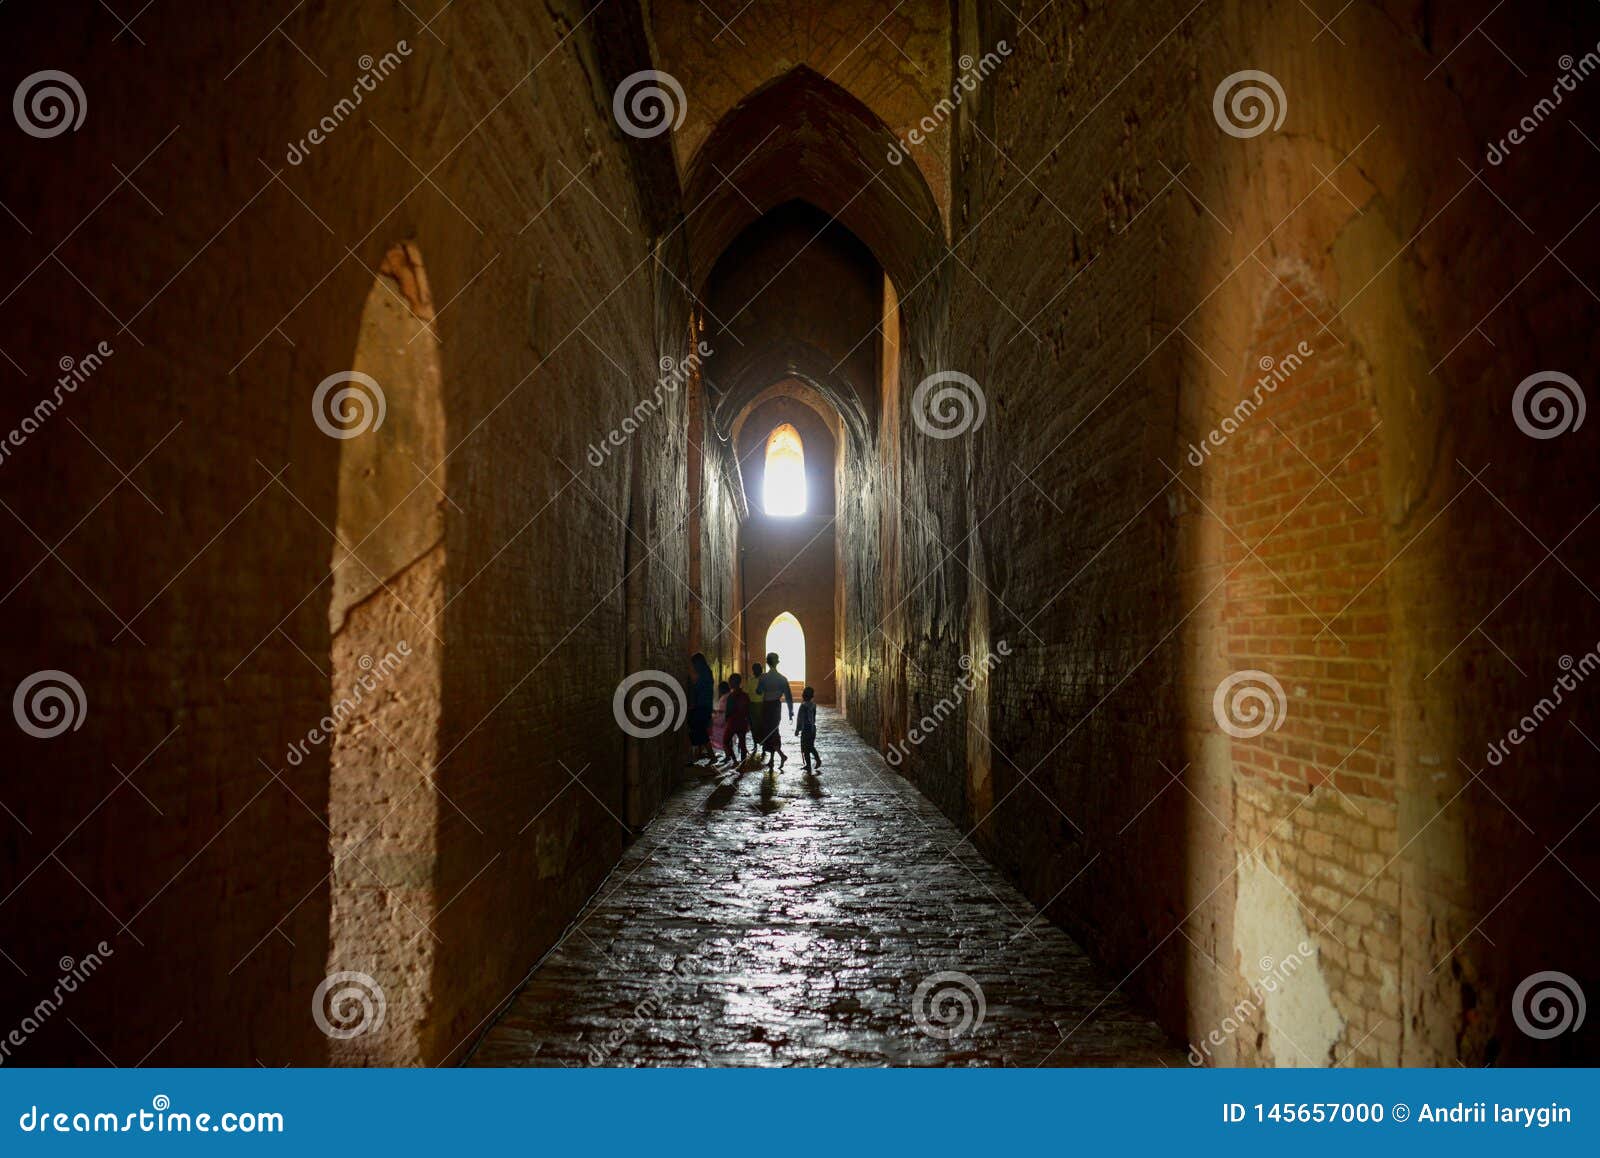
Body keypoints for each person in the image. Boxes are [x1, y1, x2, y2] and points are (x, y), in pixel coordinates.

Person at [756, 651, 794, 771]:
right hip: (776, 706)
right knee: (774, 730)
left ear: (767, 663)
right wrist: (790, 711)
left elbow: (758, 691)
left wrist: (760, 682)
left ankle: (779, 756)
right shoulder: (782, 679)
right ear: (777, 662)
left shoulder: (764, 678)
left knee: (767, 731)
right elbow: (788, 697)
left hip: (766, 706)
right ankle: (773, 758)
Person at [686, 652, 715, 766]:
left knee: (700, 732)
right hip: (704, 706)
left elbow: (699, 690)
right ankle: (696, 755)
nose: (693, 666)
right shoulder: (706, 672)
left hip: (701, 707)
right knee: (699, 730)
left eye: (694, 664)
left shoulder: (703, 675)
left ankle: (711, 757)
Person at [724, 673, 751, 765]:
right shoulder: (745, 696)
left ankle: (735, 760)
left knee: (726, 741)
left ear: (732, 683)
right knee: (742, 744)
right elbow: (748, 710)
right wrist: (748, 723)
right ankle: (743, 763)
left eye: (730, 681)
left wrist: (726, 720)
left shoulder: (731, 696)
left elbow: (729, 711)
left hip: (733, 722)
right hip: (742, 722)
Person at [795, 685, 820, 772]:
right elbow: (814, 717)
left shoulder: (803, 706)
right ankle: (816, 760)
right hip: (812, 728)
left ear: (803, 695)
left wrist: (797, 729)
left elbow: (800, 719)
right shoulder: (814, 705)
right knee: (810, 746)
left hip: (806, 729)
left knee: (806, 748)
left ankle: (810, 764)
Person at [746, 663, 765, 768]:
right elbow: (746, 692)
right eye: (755, 669)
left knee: (762, 726)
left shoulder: (764, 680)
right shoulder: (751, 680)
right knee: (753, 726)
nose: (757, 671)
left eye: (758, 669)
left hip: (762, 705)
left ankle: (763, 746)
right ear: (753, 670)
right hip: (752, 705)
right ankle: (755, 744)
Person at [711, 679, 731, 765]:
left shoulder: (724, 698)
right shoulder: (730, 696)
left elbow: (723, 711)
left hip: (723, 719)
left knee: (721, 737)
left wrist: (715, 712)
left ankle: (728, 756)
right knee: (727, 739)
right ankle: (729, 756)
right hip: (729, 719)